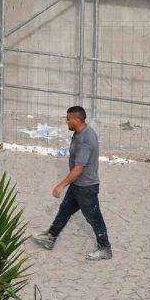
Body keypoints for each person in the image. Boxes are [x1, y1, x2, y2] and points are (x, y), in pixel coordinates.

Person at [33, 105, 112, 260]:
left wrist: (61, 185)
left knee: (94, 218)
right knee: (64, 211)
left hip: (86, 188)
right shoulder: (78, 133)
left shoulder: (86, 139)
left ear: (77, 119)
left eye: (68, 119)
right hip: (77, 186)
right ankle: (51, 237)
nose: (66, 121)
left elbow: (78, 169)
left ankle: (105, 248)